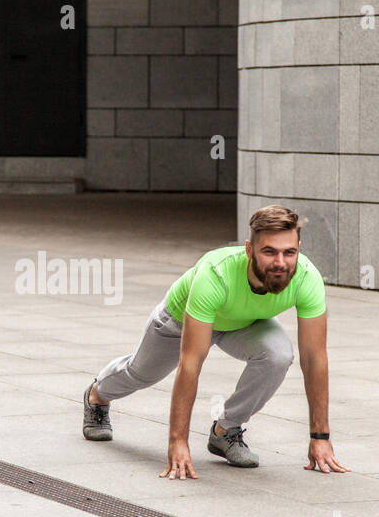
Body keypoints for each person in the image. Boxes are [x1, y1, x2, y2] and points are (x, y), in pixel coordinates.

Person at [82, 204, 348, 479]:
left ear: (298, 249)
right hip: (180, 321)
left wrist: (320, 436)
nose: (280, 262)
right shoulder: (215, 273)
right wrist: (178, 441)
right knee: (140, 374)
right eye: (269, 251)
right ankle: (97, 395)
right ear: (249, 250)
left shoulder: (306, 277)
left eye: (289, 252)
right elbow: (191, 362)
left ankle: (226, 431)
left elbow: (314, 357)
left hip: (243, 323)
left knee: (278, 355)